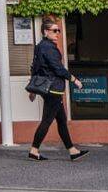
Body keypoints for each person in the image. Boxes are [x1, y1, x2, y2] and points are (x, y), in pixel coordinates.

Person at [27, 18, 90, 161]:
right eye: (54, 31)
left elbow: (35, 68)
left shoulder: (40, 46)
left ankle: (72, 151)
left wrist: (33, 89)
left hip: (49, 88)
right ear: (45, 32)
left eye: (58, 30)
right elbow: (58, 68)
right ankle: (34, 150)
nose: (57, 33)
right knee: (47, 120)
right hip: (53, 88)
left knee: (61, 120)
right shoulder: (49, 48)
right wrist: (74, 79)